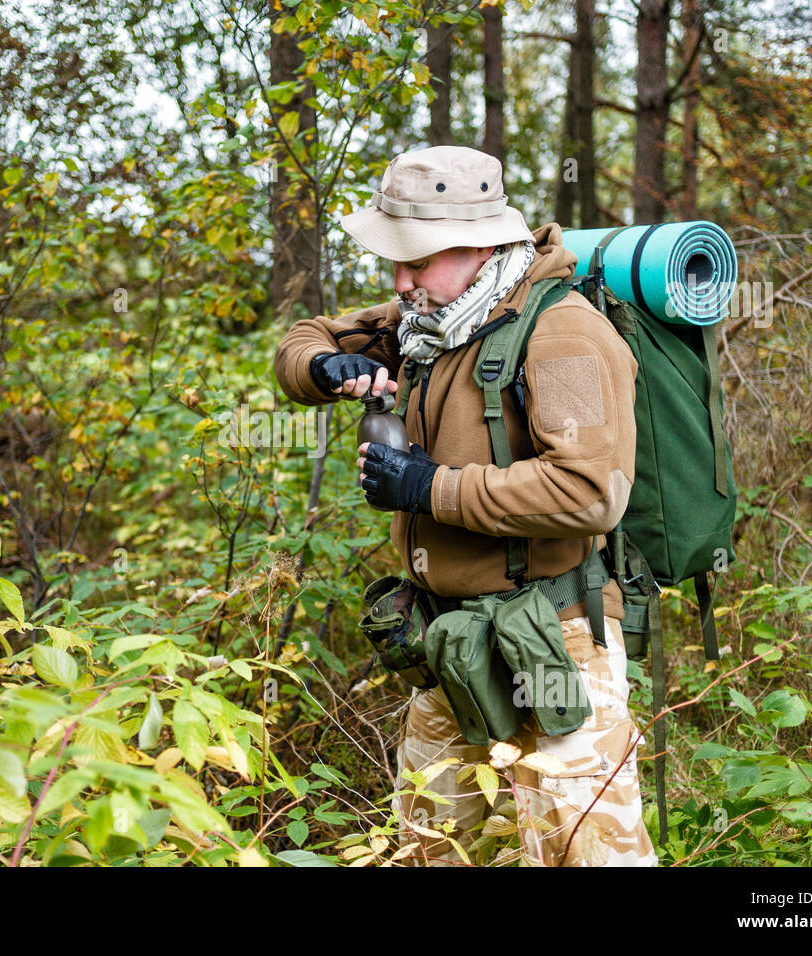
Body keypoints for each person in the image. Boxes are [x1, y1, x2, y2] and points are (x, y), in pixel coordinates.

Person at [273, 145, 657, 866]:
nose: (400, 280)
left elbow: (591, 493)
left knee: (582, 854)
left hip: (556, 642)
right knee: (429, 852)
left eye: (417, 261)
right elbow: (304, 341)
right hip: (448, 642)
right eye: (397, 261)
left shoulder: (565, 336)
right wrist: (328, 367)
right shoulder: (428, 318)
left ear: (481, 244)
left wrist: (429, 488)